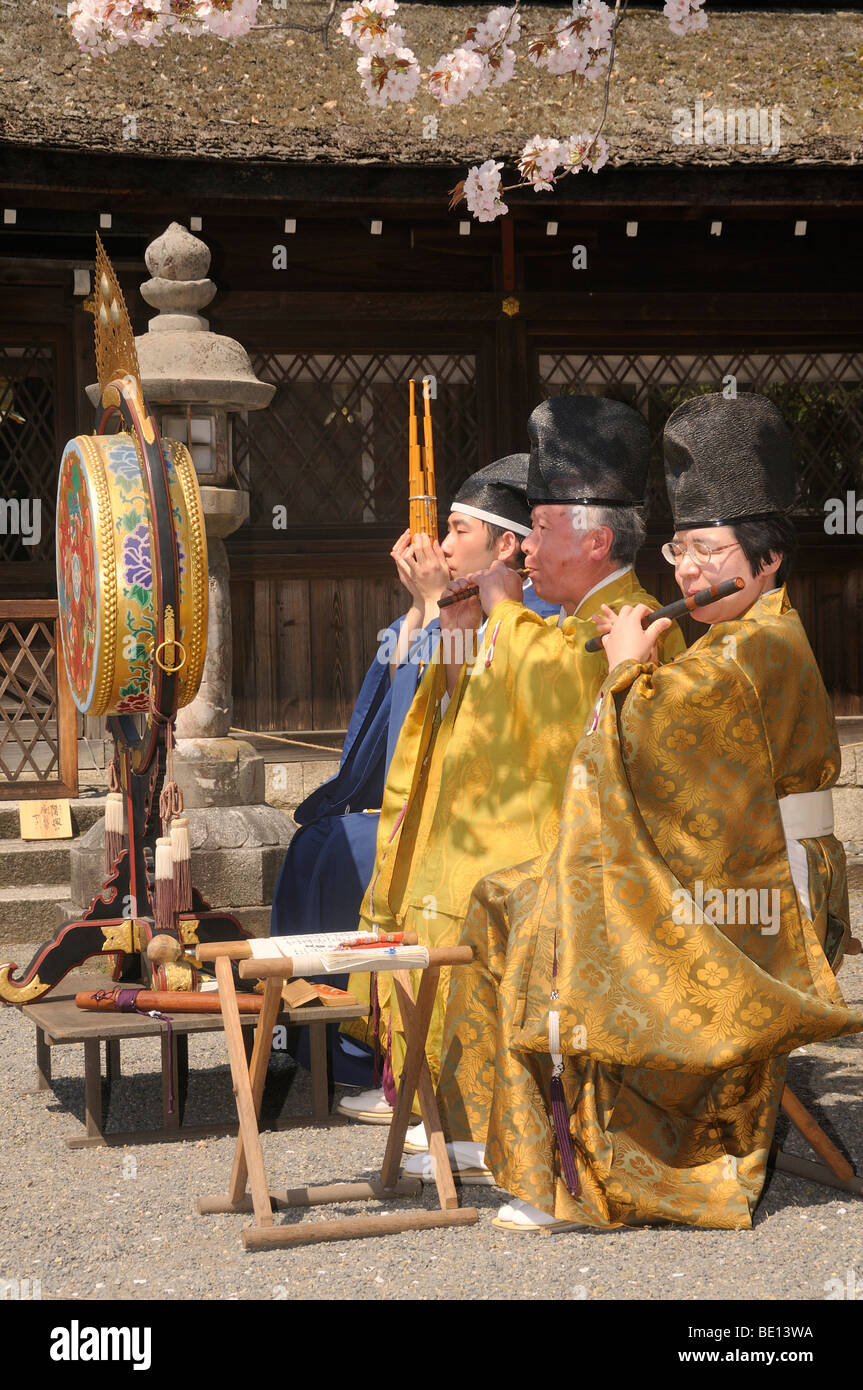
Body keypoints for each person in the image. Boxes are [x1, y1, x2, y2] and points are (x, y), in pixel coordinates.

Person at [429, 390, 862, 1230]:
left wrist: (628, 670)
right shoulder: (731, 640)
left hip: (768, 897)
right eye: (682, 550)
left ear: (765, 563)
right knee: (504, 898)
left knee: (555, 932)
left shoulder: (760, 644)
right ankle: (537, 1151)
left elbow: (661, 751)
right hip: (735, 869)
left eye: (708, 552)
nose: (688, 572)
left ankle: (590, 1177)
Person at [341, 395, 685, 1131]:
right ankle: (456, 1114)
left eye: (538, 530)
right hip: (470, 840)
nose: (526, 550)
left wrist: (488, 615)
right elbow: (457, 711)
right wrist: (458, 627)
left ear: (595, 544)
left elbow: (560, 698)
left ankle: (519, 1139)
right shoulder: (523, 620)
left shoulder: (631, 620)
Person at [270, 456, 556, 1089]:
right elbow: (392, 724)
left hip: (490, 821)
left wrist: (433, 608)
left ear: (506, 545)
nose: (443, 547)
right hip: (433, 807)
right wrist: (421, 613)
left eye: (458, 531)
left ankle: (371, 1058)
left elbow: (451, 724)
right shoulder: (456, 603)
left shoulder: (537, 619)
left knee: (345, 846)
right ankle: (310, 1034)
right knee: (320, 840)